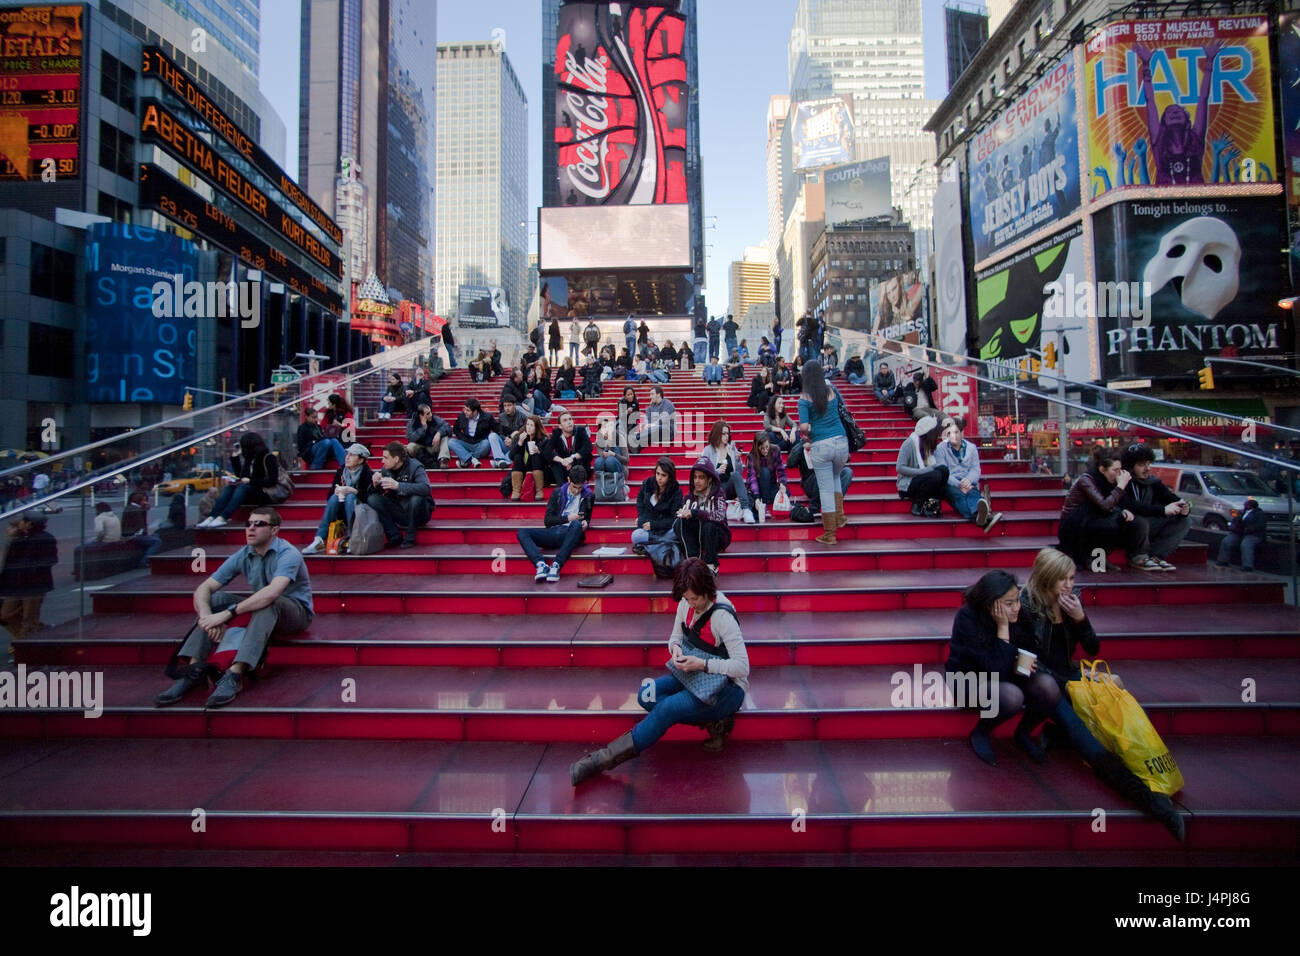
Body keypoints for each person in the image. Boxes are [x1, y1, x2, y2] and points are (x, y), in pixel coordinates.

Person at [1010, 548, 1185, 839]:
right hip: (1043, 683)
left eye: (1072, 578)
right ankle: (1151, 801)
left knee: (1128, 717)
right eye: (1063, 579)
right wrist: (1084, 679)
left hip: (1069, 675)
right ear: (1046, 578)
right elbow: (1029, 662)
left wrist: (1080, 619)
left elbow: (1092, 648)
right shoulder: (1025, 607)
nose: (1069, 585)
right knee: (1087, 739)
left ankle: (1056, 736)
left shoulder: (1070, 602)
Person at [570, 559, 749, 785]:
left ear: (707, 590)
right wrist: (675, 650)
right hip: (693, 674)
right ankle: (715, 722)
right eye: (686, 598)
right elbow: (676, 637)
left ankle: (599, 761)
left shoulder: (722, 616)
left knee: (667, 708)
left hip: (728, 688)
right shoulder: (686, 603)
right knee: (646, 695)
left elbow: (743, 667)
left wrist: (703, 665)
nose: (690, 603)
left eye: (695, 598)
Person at [155, 506, 313, 709]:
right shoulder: (244, 554)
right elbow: (205, 588)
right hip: (260, 607)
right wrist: (207, 618)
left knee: (268, 601)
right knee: (216, 598)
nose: (251, 529)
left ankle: (235, 673)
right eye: (248, 524)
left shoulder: (288, 553)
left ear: (274, 530)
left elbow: (272, 592)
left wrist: (225, 615)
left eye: (259, 524)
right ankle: (195, 671)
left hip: (294, 612)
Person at [945, 570, 1060, 767]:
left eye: (1016, 600)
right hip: (970, 680)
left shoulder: (1018, 613)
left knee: (1048, 687)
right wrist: (1003, 629)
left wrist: (1027, 661)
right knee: (1012, 696)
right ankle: (981, 732)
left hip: (1008, 673)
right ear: (991, 604)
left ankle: (1024, 732)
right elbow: (993, 670)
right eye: (1009, 603)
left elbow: (1032, 647)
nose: (1016, 607)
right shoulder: (967, 618)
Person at [1058, 446, 1155, 571]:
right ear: (1102, 469)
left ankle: (1126, 557)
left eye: (1120, 469)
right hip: (1075, 525)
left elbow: (1119, 504)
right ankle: (1090, 556)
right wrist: (1120, 486)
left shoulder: (1111, 480)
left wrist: (1122, 510)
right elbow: (1104, 505)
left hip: (1096, 519)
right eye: (1115, 470)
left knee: (1137, 522)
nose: (1119, 473)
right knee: (1112, 522)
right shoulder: (1086, 480)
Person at [798, 360, 850, 544]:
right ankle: (840, 517)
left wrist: (808, 432)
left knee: (826, 489)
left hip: (822, 445)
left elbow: (804, 426)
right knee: (836, 478)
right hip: (842, 442)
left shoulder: (804, 398)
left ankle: (830, 533)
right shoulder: (832, 391)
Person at [518, 464, 593, 584]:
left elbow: (586, 518)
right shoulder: (558, 493)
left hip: (573, 533)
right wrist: (567, 518)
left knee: (577, 525)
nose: (577, 490)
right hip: (554, 531)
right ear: (569, 480)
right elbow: (548, 521)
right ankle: (540, 564)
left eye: (580, 487)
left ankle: (557, 564)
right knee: (522, 532)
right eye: (574, 487)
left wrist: (585, 523)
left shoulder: (588, 496)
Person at [1121, 443, 1190, 571]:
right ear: (1130, 467)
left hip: (1147, 527)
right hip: (1126, 527)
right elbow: (1131, 506)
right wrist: (1163, 510)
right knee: (1140, 521)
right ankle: (1137, 557)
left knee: (1184, 521)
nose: (1147, 469)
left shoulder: (1153, 482)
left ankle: (1156, 556)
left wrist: (1184, 507)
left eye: (1148, 464)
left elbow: (1170, 498)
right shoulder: (1123, 481)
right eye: (1141, 465)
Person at [300, 444, 374, 554]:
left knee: (350, 497)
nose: (347, 457)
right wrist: (336, 491)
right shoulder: (341, 471)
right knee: (334, 498)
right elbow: (329, 495)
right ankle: (319, 539)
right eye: (347, 454)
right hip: (339, 508)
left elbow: (368, 497)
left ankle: (352, 537)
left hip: (359, 512)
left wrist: (354, 491)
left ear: (360, 460)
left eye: (352, 455)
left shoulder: (367, 473)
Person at [197, 432, 279, 528]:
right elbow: (241, 476)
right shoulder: (249, 460)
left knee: (243, 488)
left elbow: (272, 480)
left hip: (266, 493)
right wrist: (235, 458)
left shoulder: (268, 458)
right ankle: (212, 516)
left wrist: (250, 481)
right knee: (230, 487)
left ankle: (223, 517)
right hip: (250, 492)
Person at [934, 418, 1002, 533]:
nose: (952, 436)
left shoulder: (971, 448)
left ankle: (979, 517)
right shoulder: (940, 449)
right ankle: (982, 518)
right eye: (949, 433)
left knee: (973, 492)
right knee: (958, 495)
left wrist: (969, 480)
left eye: (955, 432)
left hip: (968, 481)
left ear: (961, 433)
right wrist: (958, 484)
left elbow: (976, 469)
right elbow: (943, 471)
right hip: (950, 482)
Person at [0, 514, 57, 647]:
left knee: (29, 618)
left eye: (21, 522)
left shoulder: (45, 538)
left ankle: (24, 646)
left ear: (29, 524)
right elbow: (6, 560)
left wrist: (30, 568)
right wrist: (10, 539)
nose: (17, 525)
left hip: (33, 584)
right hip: (14, 585)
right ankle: (31, 636)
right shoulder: (17, 538)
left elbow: (50, 560)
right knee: (6, 615)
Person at [365, 441, 434, 549]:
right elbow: (378, 494)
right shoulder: (385, 469)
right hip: (400, 510)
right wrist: (375, 485)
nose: (382, 461)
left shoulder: (415, 466)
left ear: (396, 459)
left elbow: (425, 488)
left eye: (386, 458)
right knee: (373, 499)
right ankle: (394, 535)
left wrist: (398, 486)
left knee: (416, 498)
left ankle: (410, 537)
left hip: (420, 513)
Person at [674, 458, 731, 572]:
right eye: (695, 477)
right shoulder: (689, 497)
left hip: (718, 536)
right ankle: (693, 561)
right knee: (679, 523)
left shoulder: (718, 493)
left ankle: (711, 565)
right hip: (698, 536)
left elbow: (719, 516)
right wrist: (683, 514)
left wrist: (695, 513)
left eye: (701, 477)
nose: (697, 481)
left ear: (709, 479)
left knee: (708, 525)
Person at [699, 420, 757, 524]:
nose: (726, 436)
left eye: (727, 433)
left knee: (735, 475)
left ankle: (746, 510)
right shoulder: (708, 450)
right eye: (723, 433)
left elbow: (738, 473)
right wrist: (716, 471)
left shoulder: (731, 448)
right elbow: (702, 473)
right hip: (715, 488)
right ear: (717, 434)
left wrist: (738, 460)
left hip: (729, 488)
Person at [895, 415, 949, 517]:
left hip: (924, 481)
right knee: (935, 475)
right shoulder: (909, 443)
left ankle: (933, 504)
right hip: (908, 484)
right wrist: (923, 471)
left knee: (943, 470)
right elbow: (899, 467)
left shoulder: (927, 445)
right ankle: (917, 504)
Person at [632, 456, 684, 553]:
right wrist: (641, 519)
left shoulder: (676, 491)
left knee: (677, 532)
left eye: (663, 475)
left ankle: (651, 546)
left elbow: (674, 519)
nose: (659, 478)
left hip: (665, 529)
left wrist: (654, 525)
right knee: (636, 536)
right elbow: (640, 503)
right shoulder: (648, 484)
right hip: (648, 528)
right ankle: (662, 544)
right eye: (658, 474)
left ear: (670, 477)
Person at [745, 431, 788, 522]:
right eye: (762, 448)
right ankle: (764, 503)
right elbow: (752, 479)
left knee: (787, 493)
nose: (765, 450)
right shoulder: (752, 456)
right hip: (759, 488)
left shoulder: (775, 450)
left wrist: (782, 483)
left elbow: (781, 470)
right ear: (757, 447)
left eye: (766, 447)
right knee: (764, 472)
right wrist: (756, 497)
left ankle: (766, 500)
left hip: (771, 485)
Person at [1216, 496, 1267, 571]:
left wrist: (1249, 529)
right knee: (1226, 541)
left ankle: (1247, 566)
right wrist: (1233, 528)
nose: (1245, 506)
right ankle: (1222, 560)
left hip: (1253, 534)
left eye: (1247, 505)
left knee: (1246, 544)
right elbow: (1234, 521)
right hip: (1238, 533)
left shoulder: (1259, 514)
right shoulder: (1241, 512)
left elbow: (1259, 526)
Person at [448, 398, 501, 469]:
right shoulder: (462, 416)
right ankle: (471, 459)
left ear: (475, 411)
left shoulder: (487, 417)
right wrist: (462, 438)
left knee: (486, 444)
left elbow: (497, 429)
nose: (465, 412)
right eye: (464, 409)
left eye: (468, 410)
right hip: (466, 442)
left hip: (480, 444)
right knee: (450, 442)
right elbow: (456, 429)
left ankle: (466, 459)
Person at [546, 411, 593, 488]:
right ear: (560, 426)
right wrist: (562, 460)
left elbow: (588, 447)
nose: (569, 422)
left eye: (570, 419)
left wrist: (572, 458)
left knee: (585, 456)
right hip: (564, 467)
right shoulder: (556, 433)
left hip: (579, 465)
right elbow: (547, 451)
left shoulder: (580, 431)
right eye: (565, 420)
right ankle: (562, 489)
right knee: (554, 463)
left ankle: (579, 486)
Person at [509, 415, 549, 501]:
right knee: (517, 456)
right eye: (527, 425)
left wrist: (539, 451)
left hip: (538, 467)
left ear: (537, 427)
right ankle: (516, 490)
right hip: (522, 467)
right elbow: (511, 456)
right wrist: (519, 443)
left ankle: (539, 490)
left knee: (536, 455)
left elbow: (548, 458)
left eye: (532, 425)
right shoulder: (519, 436)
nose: (529, 428)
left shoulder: (543, 439)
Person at [297, 405, 347, 470]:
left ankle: (344, 463)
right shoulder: (302, 428)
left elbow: (321, 437)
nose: (316, 419)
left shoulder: (318, 427)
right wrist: (316, 441)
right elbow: (301, 445)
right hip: (310, 450)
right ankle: (316, 465)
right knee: (326, 442)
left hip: (321, 446)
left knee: (333, 440)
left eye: (316, 417)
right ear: (307, 417)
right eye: (313, 417)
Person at [121, 491, 163, 568]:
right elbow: (140, 525)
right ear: (139, 501)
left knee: (156, 536)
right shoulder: (135, 509)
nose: (145, 502)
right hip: (133, 535)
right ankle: (144, 561)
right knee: (156, 542)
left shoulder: (134, 508)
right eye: (143, 500)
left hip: (135, 533)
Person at [406, 404, 452, 470]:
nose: (430, 415)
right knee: (410, 446)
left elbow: (448, 427)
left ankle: (443, 460)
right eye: (427, 414)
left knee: (445, 438)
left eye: (430, 412)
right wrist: (423, 428)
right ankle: (414, 464)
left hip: (433, 445)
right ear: (421, 416)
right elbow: (411, 438)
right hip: (420, 448)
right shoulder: (412, 423)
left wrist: (439, 433)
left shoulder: (435, 419)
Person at [592, 415, 629, 481]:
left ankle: (618, 481)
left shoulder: (619, 438)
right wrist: (608, 442)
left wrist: (614, 454)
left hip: (620, 468)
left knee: (610, 460)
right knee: (598, 462)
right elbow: (603, 458)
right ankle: (601, 483)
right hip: (606, 468)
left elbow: (626, 460)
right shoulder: (599, 442)